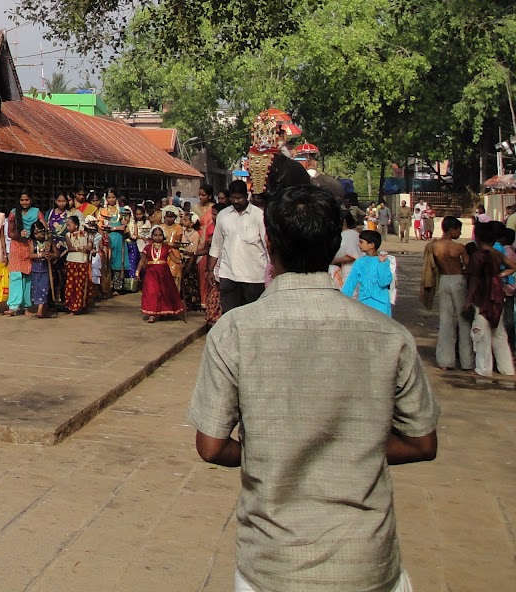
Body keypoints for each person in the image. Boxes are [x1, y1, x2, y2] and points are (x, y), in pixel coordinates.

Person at [188, 184, 438, 592]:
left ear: (269, 243)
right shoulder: (389, 336)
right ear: (337, 242)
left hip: (272, 562)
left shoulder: (234, 332)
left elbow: (211, 446)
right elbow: (422, 443)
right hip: (366, 560)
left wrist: (276, 447)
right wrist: (354, 446)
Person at [210, 181, 269, 315]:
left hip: (254, 278)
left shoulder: (258, 215)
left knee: (252, 316)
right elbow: (216, 245)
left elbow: (267, 245)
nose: (236, 201)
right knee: (229, 317)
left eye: (239, 198)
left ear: (246, 196)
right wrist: (210, 269)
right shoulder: (223, 215)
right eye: (233, 198)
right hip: (228, 275)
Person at [465, 220, 514, 377]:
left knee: (481, 334)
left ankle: (483, 369)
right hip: (497, 295)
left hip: (482, 296)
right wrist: (499, 276)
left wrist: (467, 301)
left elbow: (473, 280)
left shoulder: (477, 256)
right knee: (499, 334)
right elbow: (513, 266)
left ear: (478, 238)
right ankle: (507, 369)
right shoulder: (497, 254)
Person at [427, 216, 472, 371]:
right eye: (458, 230)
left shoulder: (434, 246)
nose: (460, 233)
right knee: (463, 320)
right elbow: (469, 267)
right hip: (458, 280)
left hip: (444, 280)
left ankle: (445, 361)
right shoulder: (459, 247)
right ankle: (467, 362)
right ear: (452, 229)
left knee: (445, 321)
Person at [137, 226, 186, 322]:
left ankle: (165, 311)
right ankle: (152, 313)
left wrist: (181, 261)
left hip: (164, 274)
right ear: (151, 236)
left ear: (163, 236)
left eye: (160, 235)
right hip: (151, 274)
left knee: (165, 292)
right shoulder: (147, 248)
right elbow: (142, 261)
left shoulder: (166, 247)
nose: (158, 237)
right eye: (155, 235)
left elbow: (174, 259)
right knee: (152, 292)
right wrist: (137, 272)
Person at [341, 230, 394, 316]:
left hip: (382, 306)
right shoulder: (359, 262)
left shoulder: (384, 261)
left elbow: (384, 282)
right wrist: (342, 301)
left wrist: (382, 264)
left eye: (361, 242)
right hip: (364, 304)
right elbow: (350, 284)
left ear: (371, 245)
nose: (358, 244)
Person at [6, 191, 39, 316]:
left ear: (31, 200)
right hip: (16, 245)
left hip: (29, 245)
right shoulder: (13, 213)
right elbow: (9, 233)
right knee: (15, 275)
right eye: (22, 200)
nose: (24, 202)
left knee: (27, 276)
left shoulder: (36, 212)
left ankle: (27, 306)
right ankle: (13, 306)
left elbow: (44, 227)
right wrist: (19, 236)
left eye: (27, 200)